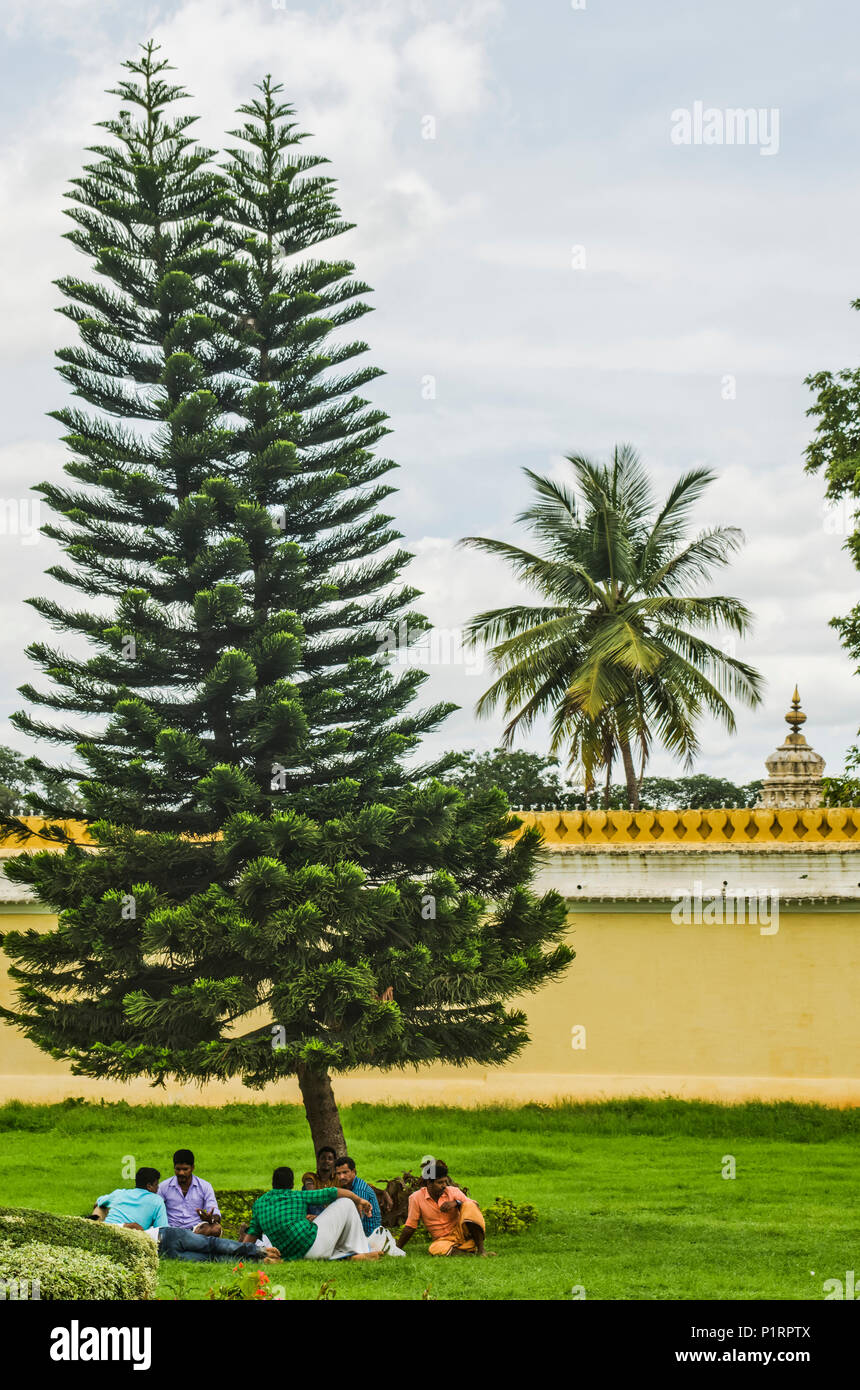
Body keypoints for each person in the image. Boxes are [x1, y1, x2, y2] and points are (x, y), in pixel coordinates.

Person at [243, 1165, 380, 1262]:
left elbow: (252, 1235)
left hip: (291, 1255)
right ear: (291, 1184)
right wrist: (358, 1200)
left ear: (273, 1183)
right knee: (346, 1203)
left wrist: (241, 1252)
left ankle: (347, 1256)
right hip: (313, 1245)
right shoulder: (297, 1195)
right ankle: (362, 1252)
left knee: (317, 1223)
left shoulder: (259, 1204)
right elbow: (332, 1192)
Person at [396, 1161, 493, 1257]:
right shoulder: (416, 1198)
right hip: (442, 1240)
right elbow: (410, 1226)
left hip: (462, 1233)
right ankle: (466, 1253)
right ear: (429, 1183)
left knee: (469, 1205)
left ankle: (481, 1251)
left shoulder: (453, 1191)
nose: (444, 1186)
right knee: (434, 1248)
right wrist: (396, 1249)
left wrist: (456, 1203)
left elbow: (474, 1206)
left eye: (445, 1182)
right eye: (440, 1183)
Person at [92, 1168, 169, 1241]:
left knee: (99, 1208)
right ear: (149, 1186)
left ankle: (92, 1225)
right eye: (156, 1184)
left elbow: (98, 1202)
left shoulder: (120, 1193)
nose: (158, 1187)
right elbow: (162, 1230)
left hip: (106, 1230)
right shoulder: (157, 1200)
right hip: (129, 1237)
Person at [158, 1149, 221, 1235]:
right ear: (174, 1168)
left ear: (192, 1168)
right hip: (171, 1229)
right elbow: (155, 1210)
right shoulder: (163, 1186)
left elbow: (215, 1212)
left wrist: (211, 1219)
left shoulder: (205, 1186)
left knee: (216, 1229)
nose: (181, 1173)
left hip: (197, 1230)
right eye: (178, 1169)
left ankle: (189, 1242)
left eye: (185, 1169)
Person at [334, 1155, 381, 1237]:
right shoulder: (348, 1186)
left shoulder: (359, 1190)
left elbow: (356, 1221)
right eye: (338, 1173)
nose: (341, 1177)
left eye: (345, 1172)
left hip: (369, 1237)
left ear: (354, 1172)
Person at [301, 1145, 337, 1215]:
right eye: (323, 1158)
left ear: (334, 1162)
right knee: (306, 1191)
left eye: (330, 1159)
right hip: (314, 1213)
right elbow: (311, 1195)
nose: (326, 1161)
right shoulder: (311, 1177)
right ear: (318, 1160)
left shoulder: (337, 1178)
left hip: (333, 1214)